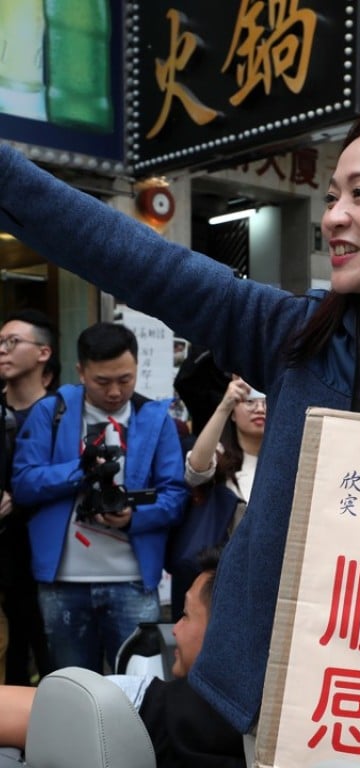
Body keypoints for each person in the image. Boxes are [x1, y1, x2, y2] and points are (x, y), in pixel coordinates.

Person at [0, 109, 360, 736]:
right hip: (258, 709)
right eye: (333, 195)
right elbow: (137, 260)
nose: (334, 216)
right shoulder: (296, 337)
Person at [11, 322, 187, 673]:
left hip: (133, 580)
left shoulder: (155, 419)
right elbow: (24, 483)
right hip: (62, 581)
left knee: (142, 691)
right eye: (102, 381)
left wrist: (134, 517)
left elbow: (175, 495)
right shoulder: (52, 411)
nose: (115, 392)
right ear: (81, 372)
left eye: (125, 379)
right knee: (73, 690)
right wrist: (79, 471)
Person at [0, 546, 245, 768]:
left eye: (185, 615)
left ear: (221, 633)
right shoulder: (261, 722)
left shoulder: (147, 710)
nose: (174, 629)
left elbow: (17, 711)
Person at [169, 375, 266, 618]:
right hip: (219, 580)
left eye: (266, 402)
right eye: (250, 402)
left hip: (266, 577)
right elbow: (195, 470)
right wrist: (224, 405)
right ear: (234, 411)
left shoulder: (286, 462)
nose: (260, 409)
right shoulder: (219, 455)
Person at [0, 309, 58, 685]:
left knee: (49, 647)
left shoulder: (62, 413)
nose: (2, 350)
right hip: (3, 550)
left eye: (12, 342)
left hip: (46, 549)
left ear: (43, 353)